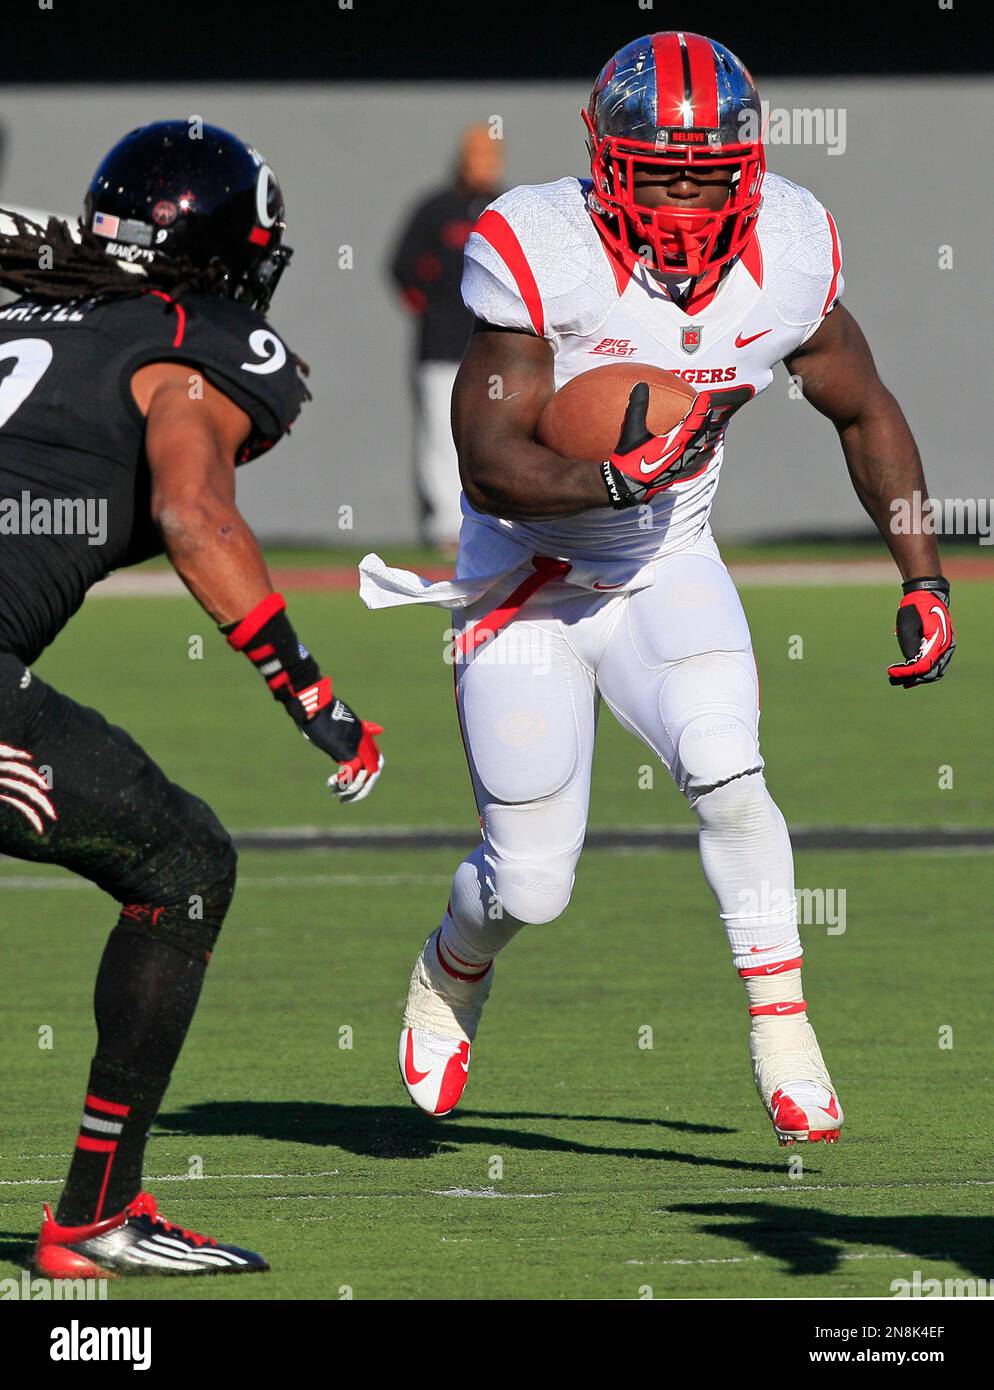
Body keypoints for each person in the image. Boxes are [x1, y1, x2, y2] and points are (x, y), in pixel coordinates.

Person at [360, 32, 955, 1144]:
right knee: (530, 883)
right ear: (605, 161)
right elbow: (487, 455)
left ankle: (782, 1026)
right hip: (526, 580)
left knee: (729, 771)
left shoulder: (788, 245)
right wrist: (604, 472)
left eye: (707, 172)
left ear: (750, 165)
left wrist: (923, 576)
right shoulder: (543, 244)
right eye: (660, 170)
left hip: (664, 562)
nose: (685, 198)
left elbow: (863, 407)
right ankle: (453, 965)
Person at [0, 120, 384, 1277]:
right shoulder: (190, 337)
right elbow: (195, 515)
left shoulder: (23, 304)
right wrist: (310, 692)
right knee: (184, 872)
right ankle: (94, 1212)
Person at [389, 123, 505, 549]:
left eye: (492, 156)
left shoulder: (506, 207)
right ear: (462, 158)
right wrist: (432, 308)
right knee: (440, 434)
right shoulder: (434, 208)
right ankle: (444, 526)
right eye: (477, 155)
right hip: (439, 347)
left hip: (495, 346)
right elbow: (400, 266)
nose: (485, 165)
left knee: (494, 431)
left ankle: (496, 522)